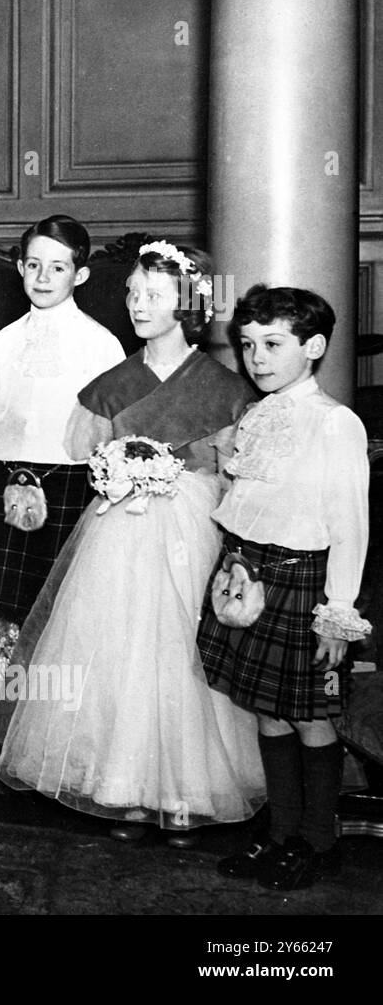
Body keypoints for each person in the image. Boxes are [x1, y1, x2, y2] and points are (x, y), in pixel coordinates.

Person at [0, 241, 265, 842]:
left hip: (192, 529)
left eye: (153, 295)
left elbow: (234, 472)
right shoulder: (110, 384)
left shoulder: (224, 387)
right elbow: (90, 458)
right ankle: (124, 791)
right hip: (119, 528)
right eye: (134, 294)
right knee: (118, 649)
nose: (138, 305)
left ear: (187, 304)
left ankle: (184, 792)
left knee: (180, 649)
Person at [200, 287, 371, 890]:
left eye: (273, 344)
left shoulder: (334, 422)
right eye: (247, 345)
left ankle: (317, 841)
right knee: (268, 711)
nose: (257, 357)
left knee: (312, 716)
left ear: (314, 346)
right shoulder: (257, 413)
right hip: (247, 572)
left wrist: (338, 611)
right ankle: (280, 833)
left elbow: (350, 527)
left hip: (304, 583)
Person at [0, 216, 124, 623]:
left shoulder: (100, 343)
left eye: (58, 267)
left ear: (80, 275)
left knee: (54, 611)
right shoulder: (3, 341)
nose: (43, 277)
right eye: (34, 264)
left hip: (68, 486)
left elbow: (109, 435)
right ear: (21, 267)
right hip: (4, 484)